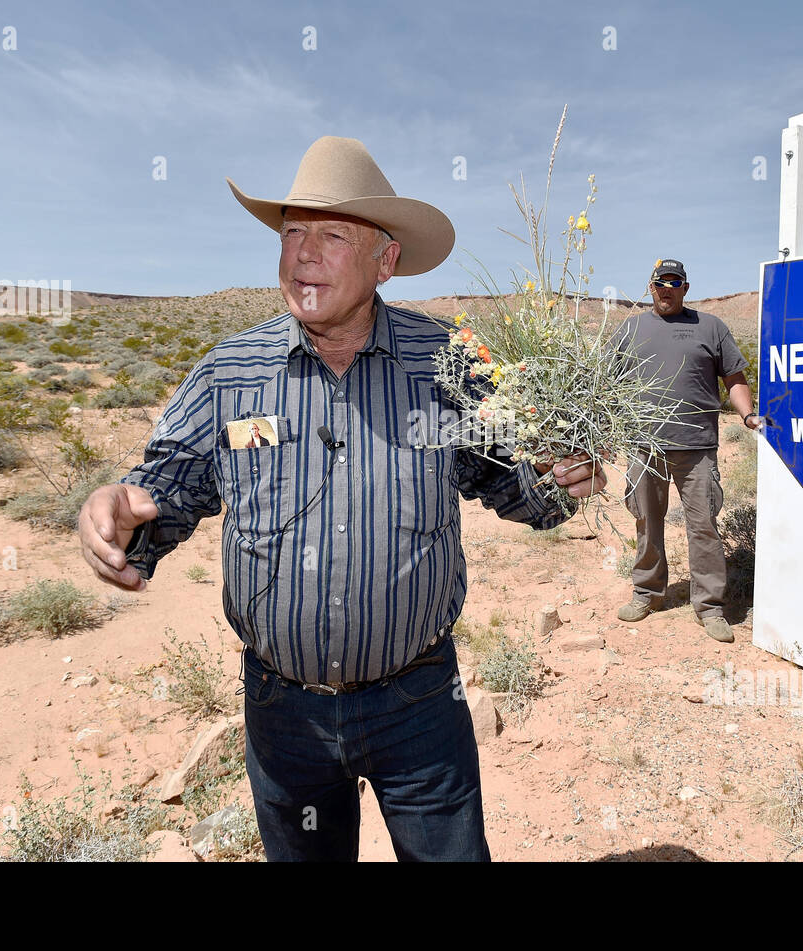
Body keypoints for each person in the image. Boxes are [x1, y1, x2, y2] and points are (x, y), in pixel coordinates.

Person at [77, 136, 607, 861]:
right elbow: (167, 485)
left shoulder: (447, 362)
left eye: (330, 235)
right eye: (292, 233)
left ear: (384, 260)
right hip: (280, 709)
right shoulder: (230, 372)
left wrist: (557, 480)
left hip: (419, 706)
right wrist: (121, 510)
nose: (302, 254)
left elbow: (508, 479)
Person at [612, 259, 759, 643]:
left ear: (685, 287)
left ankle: (710, 607)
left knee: (704, 526)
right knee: (646, 520)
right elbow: (606, 380)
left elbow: (734, 377)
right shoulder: (631, 327)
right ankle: (647, 593)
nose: (666, 288)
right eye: (660, 282)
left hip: (697, 448)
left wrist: (747, 417)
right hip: (645, 445)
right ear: (650, 286)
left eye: (673, 282)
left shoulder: (710, 326)